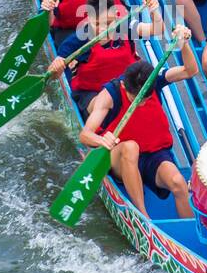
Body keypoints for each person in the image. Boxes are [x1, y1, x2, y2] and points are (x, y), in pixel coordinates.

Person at [78, 26, 200, 218]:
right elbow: (85, 135)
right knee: (131, 148)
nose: (141, 102)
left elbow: (190, 71)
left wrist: (184, 43)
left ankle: (191, 232)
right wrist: (102, 140)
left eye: (145, 98)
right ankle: (144, 217)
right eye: (136, 98)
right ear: (124, 85)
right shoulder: (110, 94)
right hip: (119, 156)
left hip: (154, 155)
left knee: (178, 183)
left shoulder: (154, 79)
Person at [48, 0, 164, 118]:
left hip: (126, 87)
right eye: (97, 24)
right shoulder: (77, 41)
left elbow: (157, 29)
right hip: (93, 93)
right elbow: (53, 75)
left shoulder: (124, 26)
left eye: (108, 23)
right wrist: (56, 68)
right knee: (106, 108)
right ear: (88, 18)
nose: (103, 29)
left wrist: (154, 10)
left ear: (116, 16)